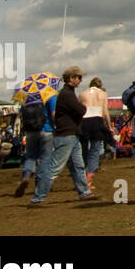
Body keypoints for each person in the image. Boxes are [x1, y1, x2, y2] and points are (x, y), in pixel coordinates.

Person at [29, 67, 96, 206]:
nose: (80, 80)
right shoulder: (67, 94)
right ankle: (38, 198)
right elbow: (80, 110)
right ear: (71, 78)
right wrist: (83, 106)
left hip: (70, 134)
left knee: (78, 166)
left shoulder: (66, 93)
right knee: (54, 168)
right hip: (67, 135)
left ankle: (84, 192)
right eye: (78, 77)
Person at [80, 77, 112, 190]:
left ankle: (82, 176)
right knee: (95, 151)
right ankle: (89, 180)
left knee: (83, 150)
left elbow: (79, 111)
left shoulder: (82, 94)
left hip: (84, 121)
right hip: (97, 120)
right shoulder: (103, 94)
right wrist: (109, 126)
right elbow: (105, 111)